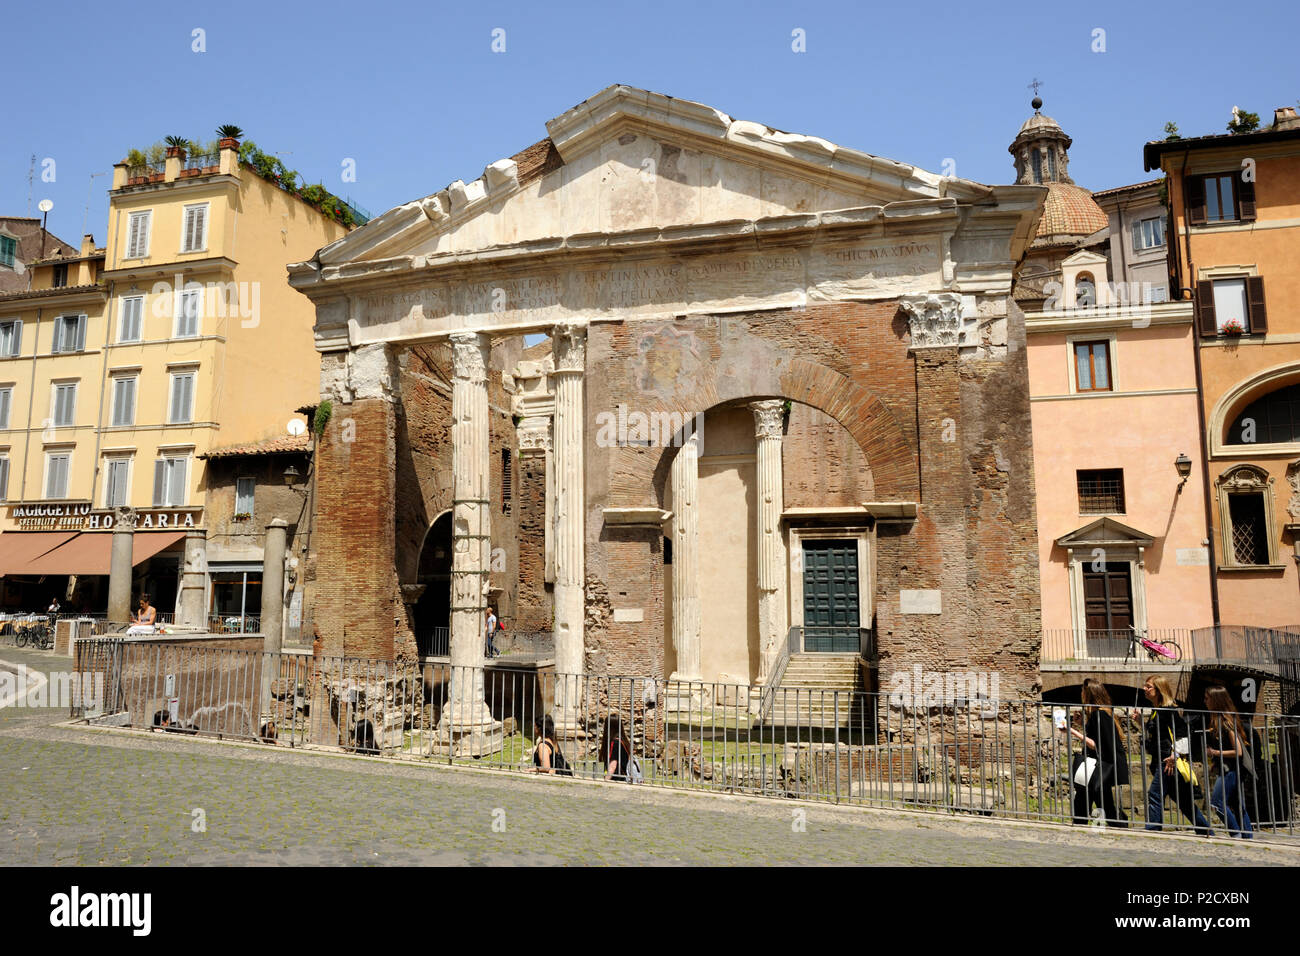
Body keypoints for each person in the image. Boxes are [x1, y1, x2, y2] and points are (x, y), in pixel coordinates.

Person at [1136, 675, 1212, 835]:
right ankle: (1205, 830)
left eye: (1148, 686)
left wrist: (1174, 755)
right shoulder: (1157, 711)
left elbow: (1183, 734)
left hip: (1167, 761)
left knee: (1155, 794)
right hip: (1161, 760)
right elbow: (1159, 734)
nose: (1145, 689)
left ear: (1159, 690)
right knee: (1184, 801)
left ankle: (1154, 828)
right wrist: (1140, 723)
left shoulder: (1168, 710)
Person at [1063, 678, 1130, 827]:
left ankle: (1118, 825)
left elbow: (1096, 745)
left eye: (1082, 690)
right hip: (1096, 768)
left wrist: (1071, 731)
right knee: (1087, 798)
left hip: (1098, 767)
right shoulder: (1100, 715)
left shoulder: (1099, 715)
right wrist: (1082, 725)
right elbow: (1097, 737)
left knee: (1095, 800)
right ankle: (1083, 824)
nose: (1080, 693)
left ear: (1088, 694)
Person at [1202, 684, 1255, 839]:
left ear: (1216, 700)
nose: (1205, 702)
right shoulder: (1219, 720)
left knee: (1217, 802)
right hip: (1227, 768)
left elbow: (1238, 751)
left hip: (1231, 770)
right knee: (1238, 805)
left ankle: (1236, 834)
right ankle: (1247, 837)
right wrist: (1216, 762)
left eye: (1207, 699)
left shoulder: (1226, 722)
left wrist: (1215, 753)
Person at [602, 714, 632, 781]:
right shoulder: (623, 740)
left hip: (617, 779)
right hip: (624, 778)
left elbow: (613, 765)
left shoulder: (615, 742)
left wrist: (605, 781)